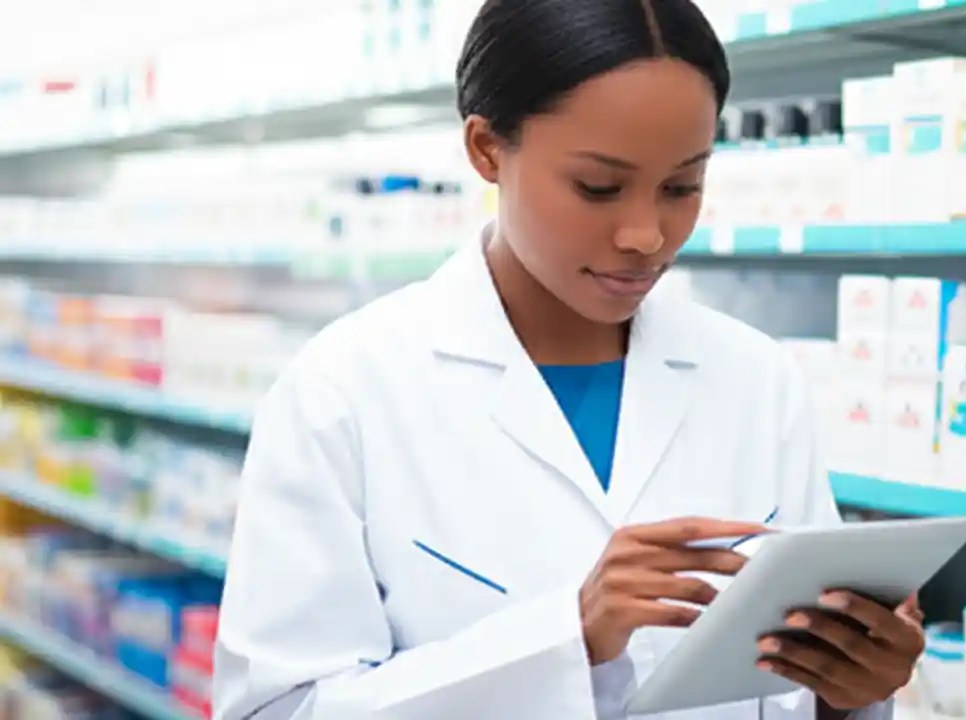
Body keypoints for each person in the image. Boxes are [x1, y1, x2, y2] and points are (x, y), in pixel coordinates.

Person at [212, 0, 926, 718]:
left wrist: (853, 688)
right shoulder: (345, 392)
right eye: (598, 188)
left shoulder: (756, 380)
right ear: (488, 149)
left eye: (682, 187)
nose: (647, 234)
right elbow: (277, 708)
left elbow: (790, 695)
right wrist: (567, 637)